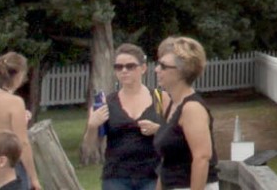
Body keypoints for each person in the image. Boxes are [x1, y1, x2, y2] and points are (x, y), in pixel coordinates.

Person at [88, 43, 162, 190]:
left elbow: (176, 135)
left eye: (130, 66)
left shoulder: (160, 98)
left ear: (143, 68)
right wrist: (92, 126)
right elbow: (90, 148)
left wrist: (158, 129)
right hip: (116, 177)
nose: (124, 71)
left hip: (152, 176)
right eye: (118, 67)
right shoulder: (106, 103)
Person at [152, 37, 214, 190]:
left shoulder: (192, 108)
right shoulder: (172, 105)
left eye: (163, 66)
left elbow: (202, 157)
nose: (156, 69)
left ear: (181, 71)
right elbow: (167, 161)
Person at [0, 52, 39, 189]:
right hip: (9, 167)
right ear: (19, 74)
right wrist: (34, 178)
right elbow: (22, 143)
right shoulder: (15, 102)